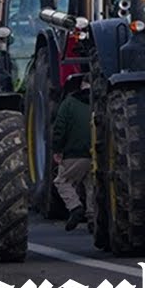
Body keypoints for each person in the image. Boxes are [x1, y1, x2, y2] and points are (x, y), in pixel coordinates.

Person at [50, 74, 93, 232]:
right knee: (91, 184)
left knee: (62, 181)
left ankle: (75, 207)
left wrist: (57, 149)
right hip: (94, 153)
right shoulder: (99, 103)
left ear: (82, 85)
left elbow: (60, 128)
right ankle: (92, 217)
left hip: (74, 153)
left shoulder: (69, 103)